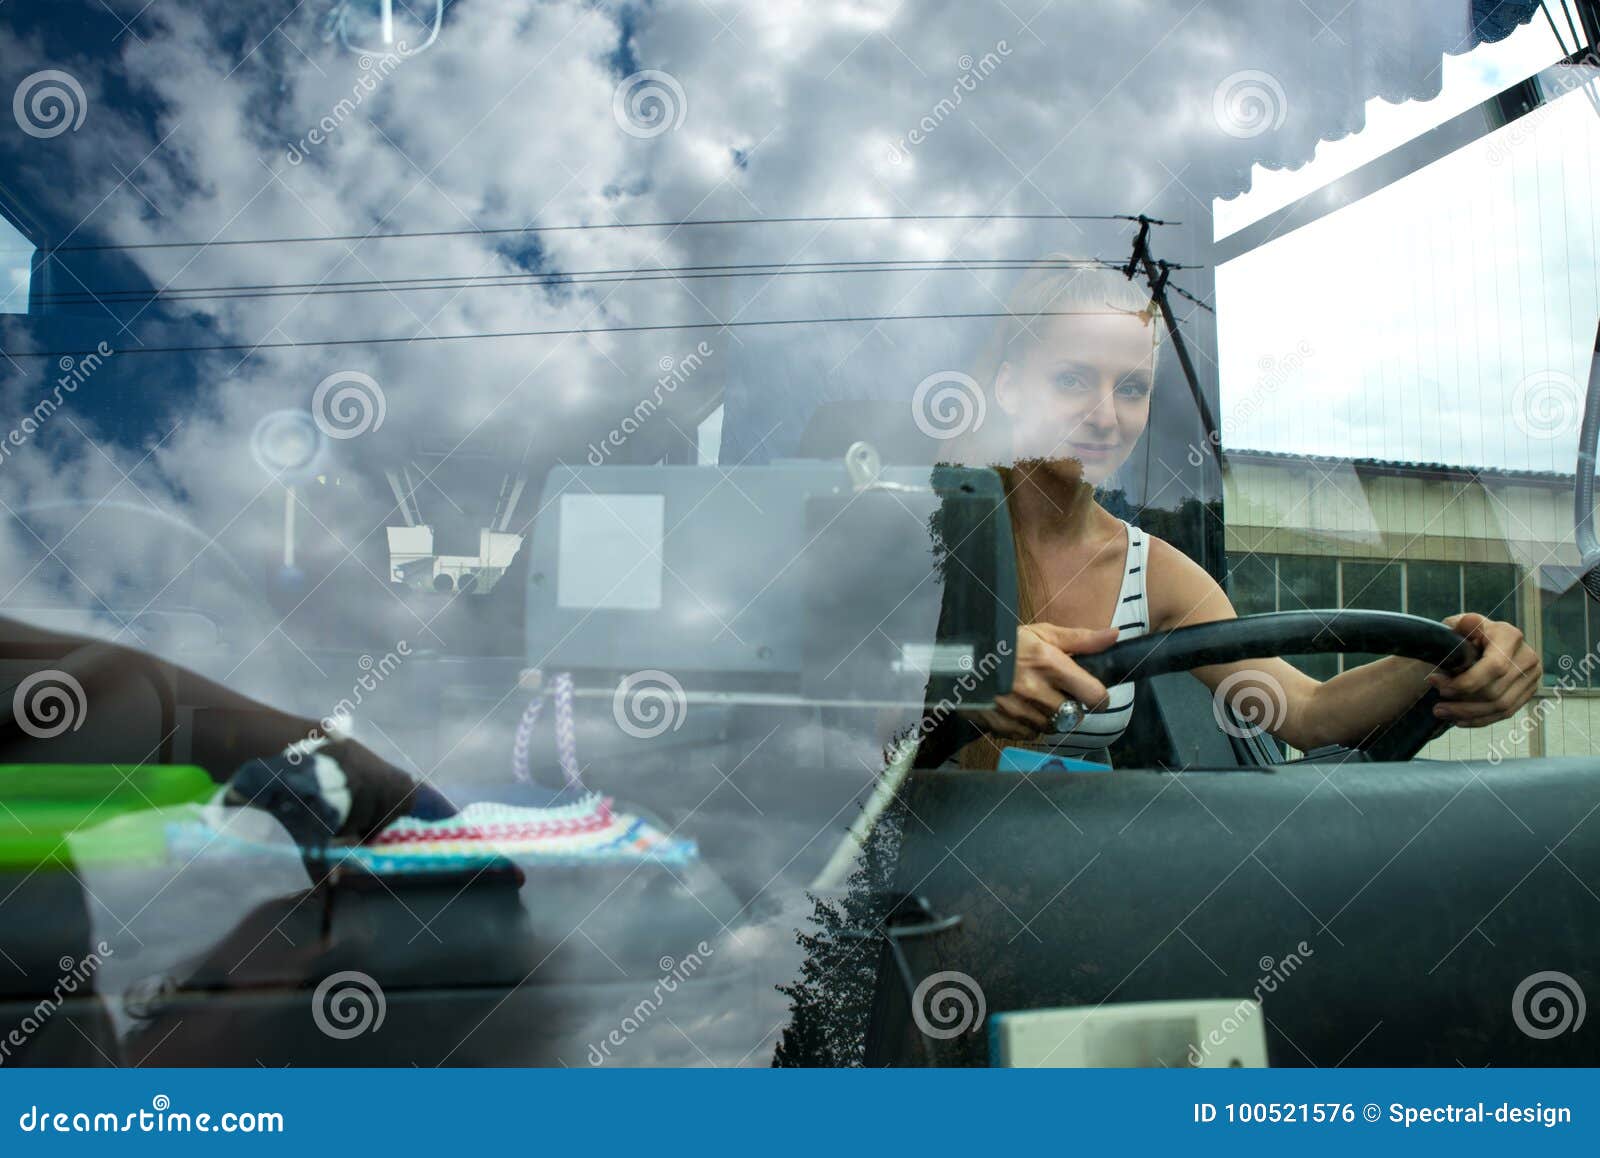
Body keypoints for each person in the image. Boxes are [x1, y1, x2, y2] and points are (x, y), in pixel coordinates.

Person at [940, 258, 1541, 767]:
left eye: (1130, 389)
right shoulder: (919, 531)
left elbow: (1306, 712)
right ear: (1012, 386)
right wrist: (961, 673)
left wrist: (1451, 648)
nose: (1105, 416)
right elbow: (855, 672)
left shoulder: (1153, 573)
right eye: (1072, 379)